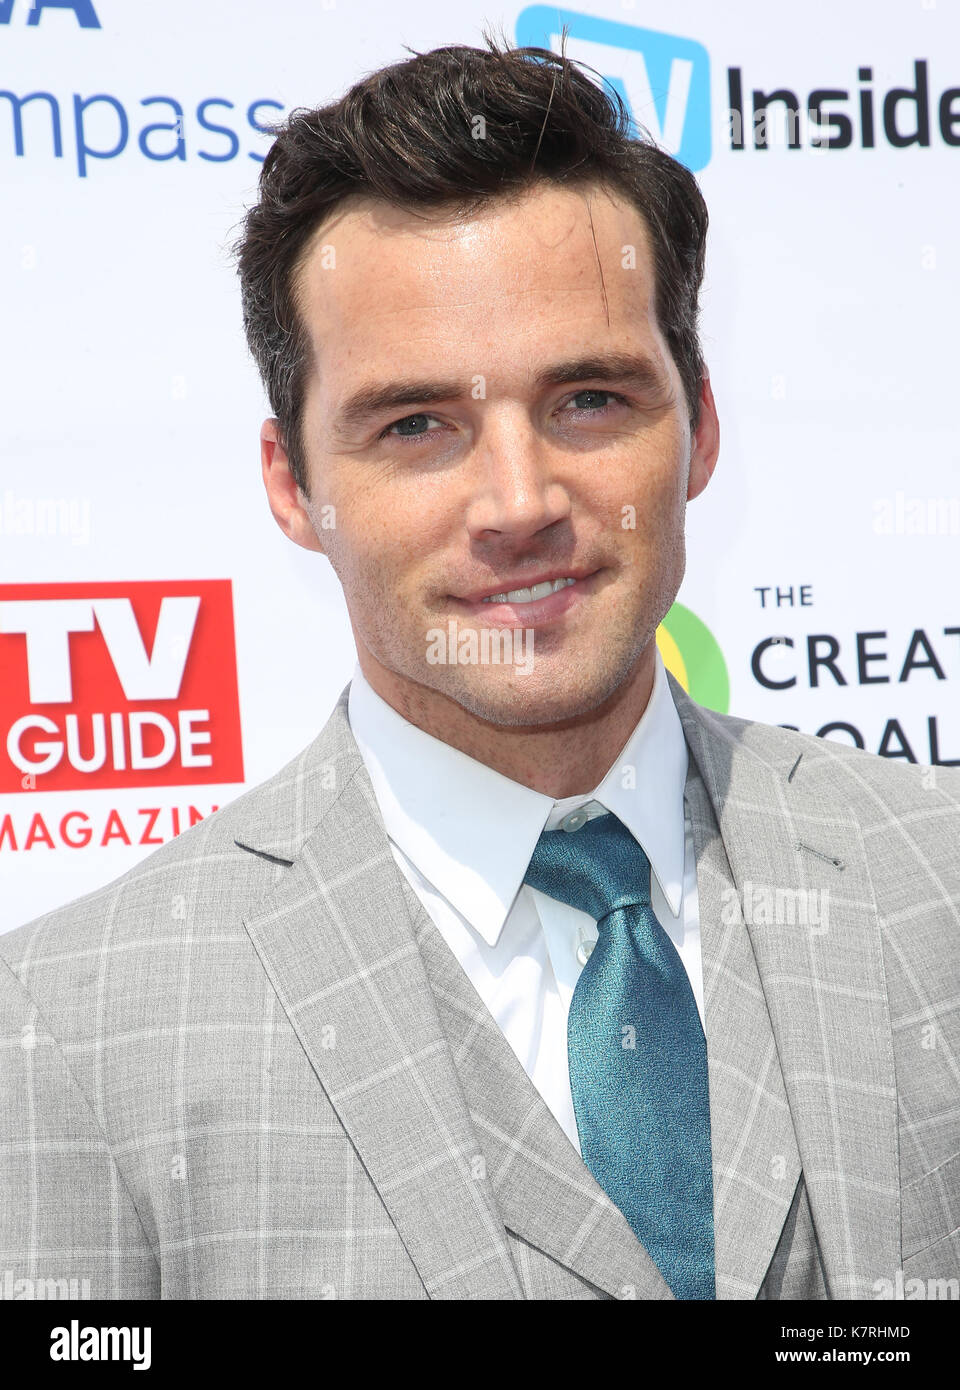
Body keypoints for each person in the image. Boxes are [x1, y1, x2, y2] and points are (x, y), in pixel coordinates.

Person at [1, 35, 958, 1302]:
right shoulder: (69, 1031)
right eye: (417, 426)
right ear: (292, 484)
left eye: (590, 401)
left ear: (703, 426)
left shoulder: (933, 877)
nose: (518, 502)